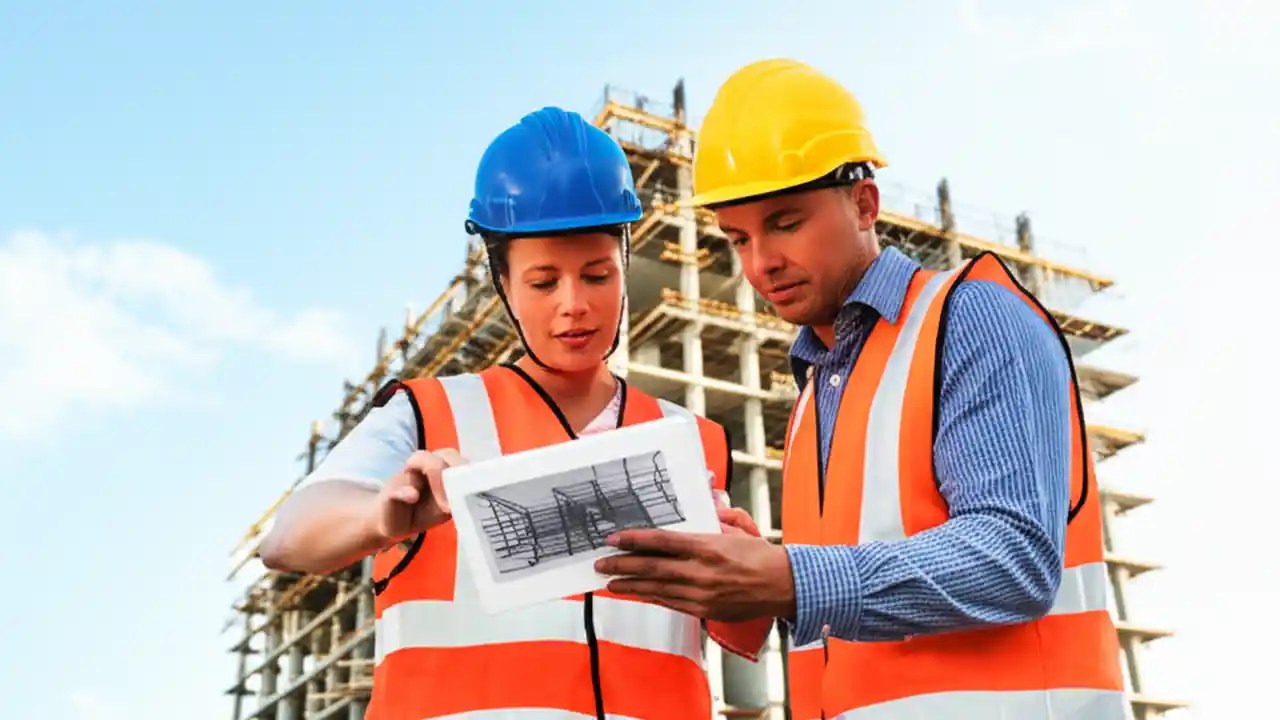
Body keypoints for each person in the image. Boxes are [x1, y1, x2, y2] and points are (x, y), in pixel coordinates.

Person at [594, 59, 1127, 719]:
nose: (761, 264)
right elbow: (846, 626)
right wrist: (745, 576)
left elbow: (1015, 557)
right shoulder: (818, 389)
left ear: (864, 202)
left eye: (785, 222)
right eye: (739, 238)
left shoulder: (969, 317)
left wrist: (788, 577)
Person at [260, 106, 772, 720]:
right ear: (502, 283)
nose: (575, 305)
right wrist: (381, 516)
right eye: (543, 282)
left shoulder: (694, 440)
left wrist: (749, 575)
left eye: (597, 275)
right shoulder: (428, 414)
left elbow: (739, 634)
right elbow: (288, 539)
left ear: (625, 264)